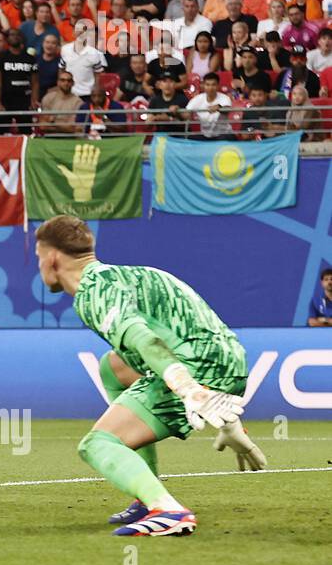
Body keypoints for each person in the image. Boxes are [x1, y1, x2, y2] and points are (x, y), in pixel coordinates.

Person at [35, 216, 266, 537]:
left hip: (197, 371)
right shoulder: (123, 276)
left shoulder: (93, 293)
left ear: (52, 258)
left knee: (97, 444)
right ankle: (144, 498)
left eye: (38, 257)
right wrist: (229, 422)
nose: (39, 264)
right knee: (112, 367)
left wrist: (189, 388)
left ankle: (168, 510)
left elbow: (142, 338)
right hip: (227, 358)